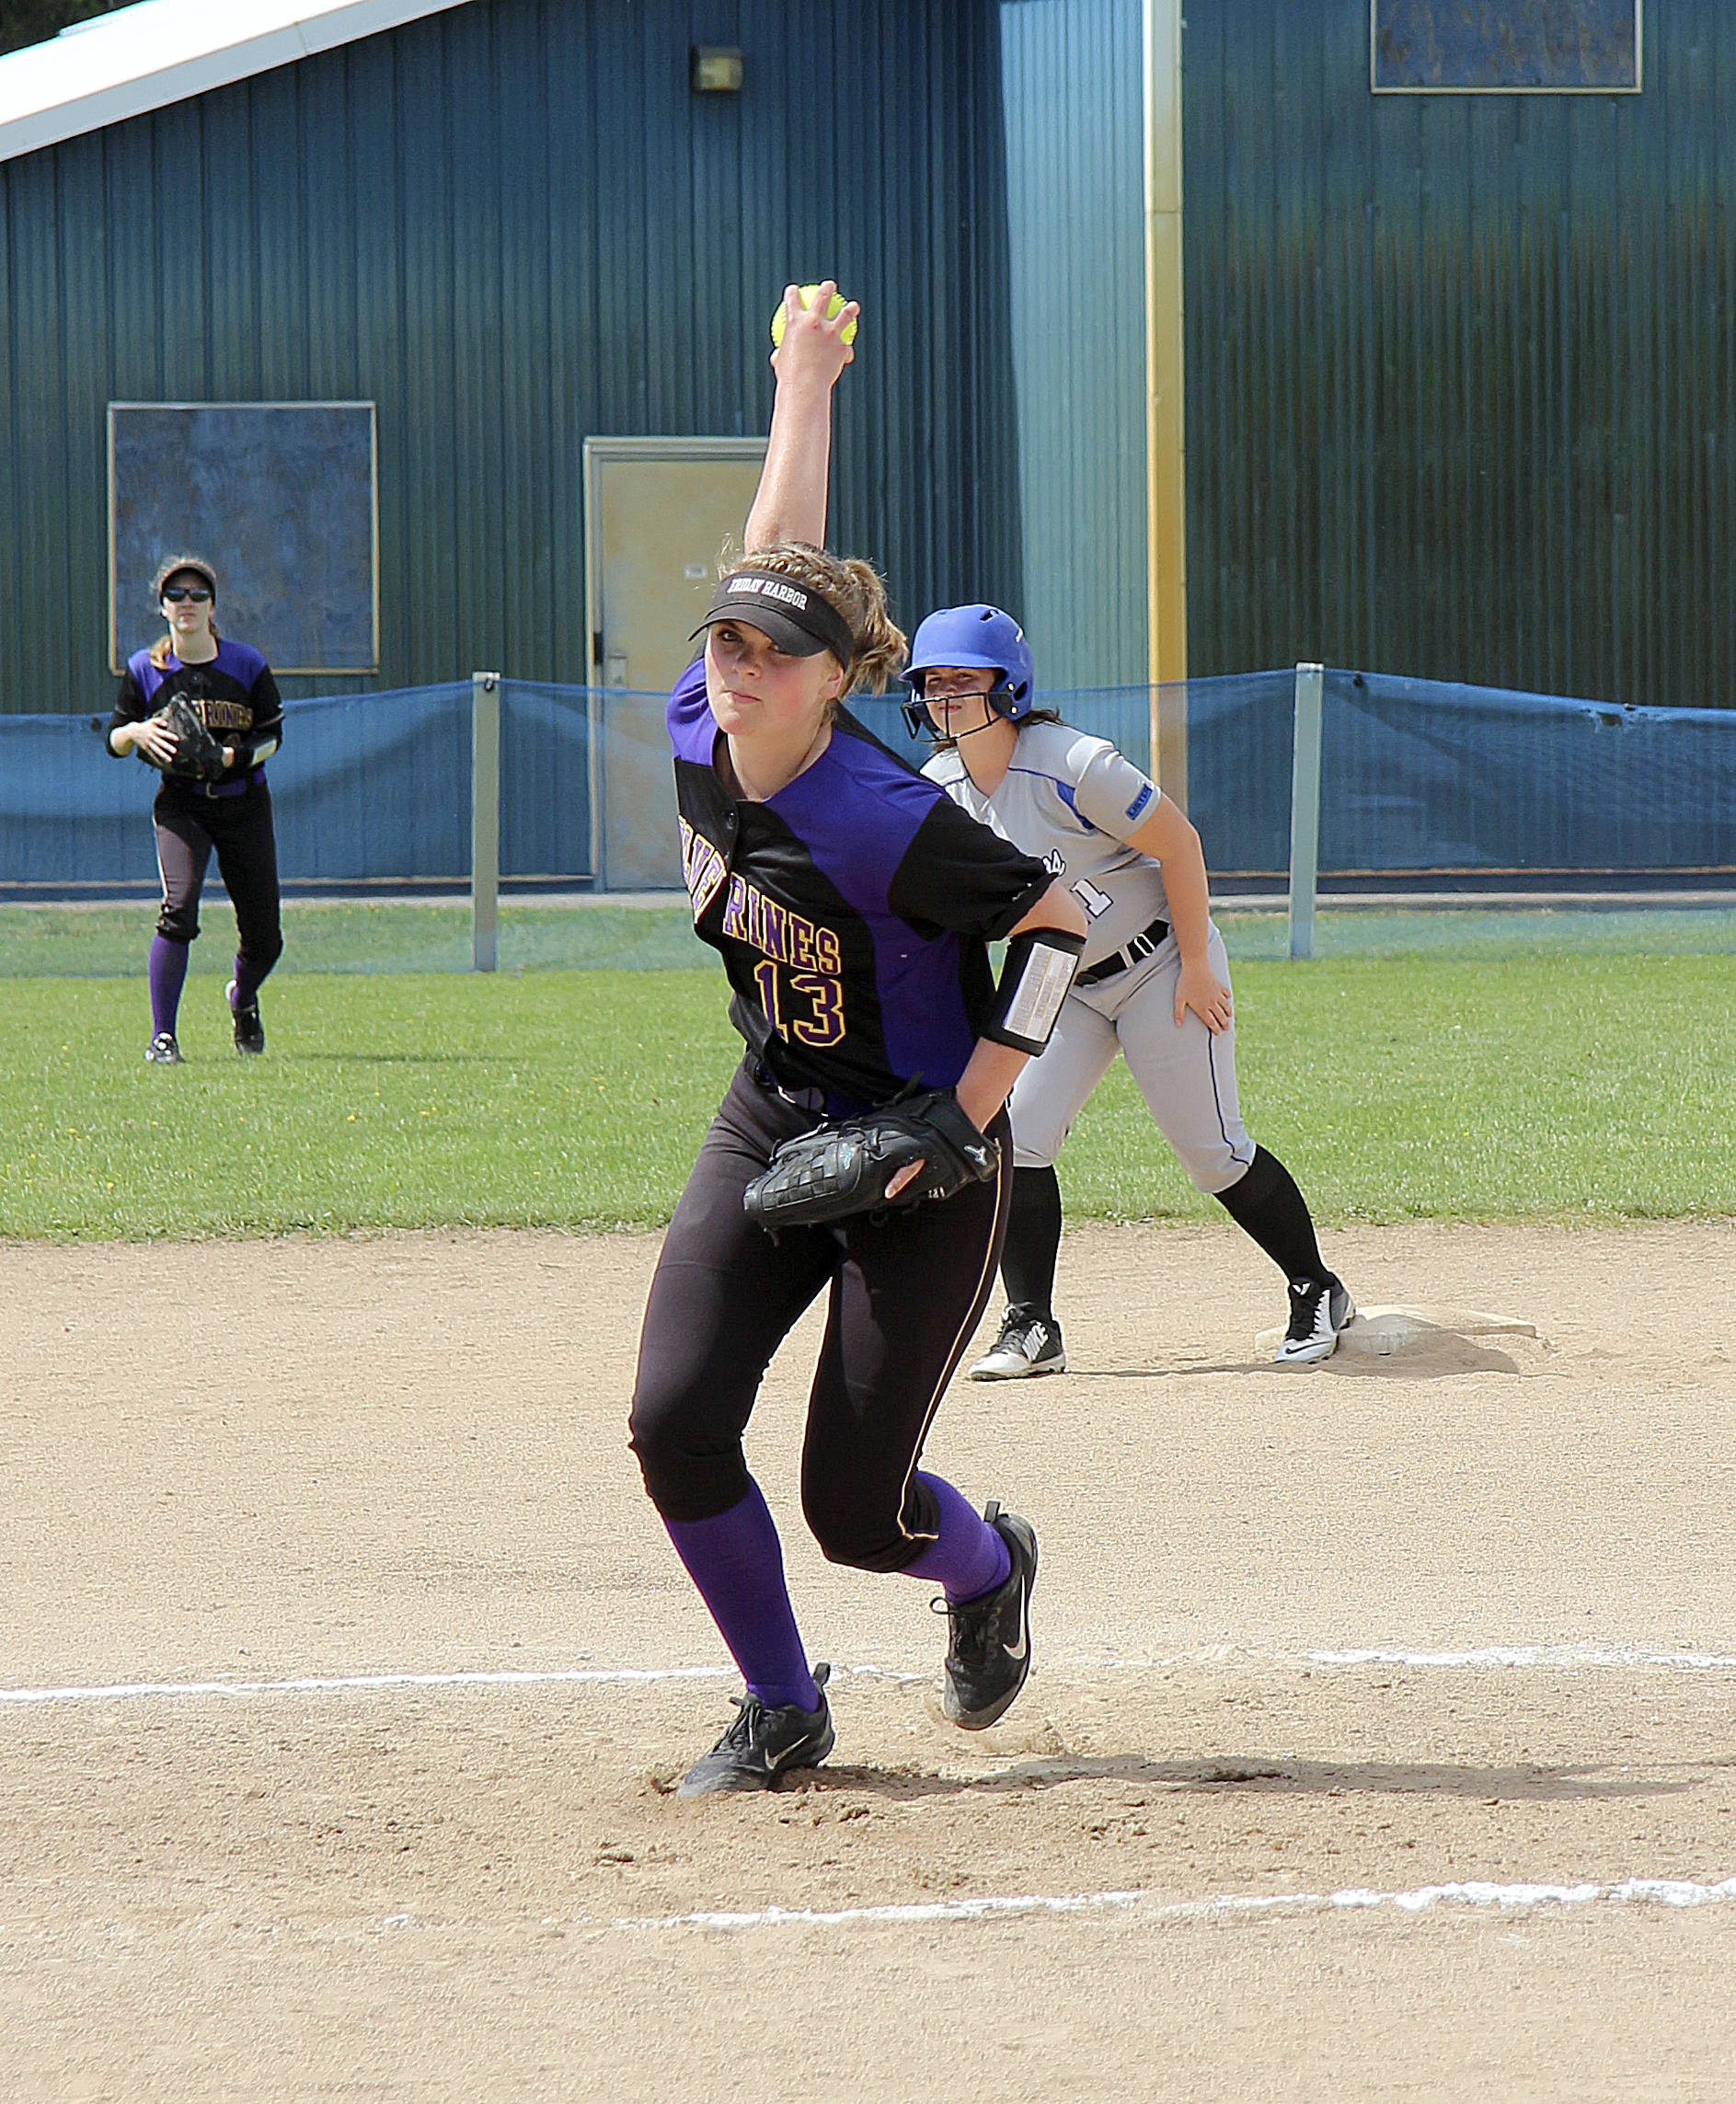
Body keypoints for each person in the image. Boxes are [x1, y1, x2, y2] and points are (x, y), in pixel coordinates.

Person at [627, 286, 1088, 1797]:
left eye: (775, 652)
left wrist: (963, 1108)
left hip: (925, 1154)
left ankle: (984, 1567)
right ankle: (780, 1703)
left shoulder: (890, 821)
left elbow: (1062, 918)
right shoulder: (700, 725)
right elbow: (775, 553)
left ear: (839, 681)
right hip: (774, 1109)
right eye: (725, 642)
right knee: (673, 1418)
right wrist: (803, 381)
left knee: (853, 1510)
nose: (738, 662)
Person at [904, 605, 1355, 1371]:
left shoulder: (1074, 763)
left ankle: (1318, 1288)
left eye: (962, 680)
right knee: (1018, 1139)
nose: (944, 698)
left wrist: (1198, 964)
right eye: (932, 683)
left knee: (1211, 1152)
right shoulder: (938, 787)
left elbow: (1179, 845)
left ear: (1007, 687)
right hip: (1063, 983)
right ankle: (1032, 1325)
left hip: (1159, 966)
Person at [107, 555, 284, 1063]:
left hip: (243, 803)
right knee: (178, 910)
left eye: (197, 595)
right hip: (182, 807)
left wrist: (235, 755)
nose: (187, 603)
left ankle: (243, 997)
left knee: (265, 939)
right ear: (162, 608)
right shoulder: (146, 668)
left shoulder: (246, 664)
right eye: (176, 595)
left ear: (212, 606)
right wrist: (134, 731)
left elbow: (273, 735)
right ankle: (163, 1037)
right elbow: (114, 739)